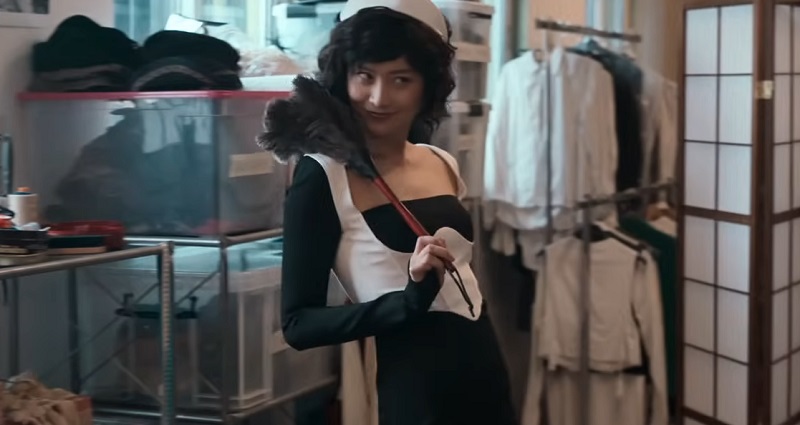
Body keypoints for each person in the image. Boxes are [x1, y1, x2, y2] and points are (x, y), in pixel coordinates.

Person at [262, 1, 517, 424]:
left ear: (427, 85)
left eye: (401, 79)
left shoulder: (440, 162)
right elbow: (298, 325)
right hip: (410, 388)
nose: (379, 98)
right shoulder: (323, 176)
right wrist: (405, 303)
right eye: (365, 76)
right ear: (343, 77)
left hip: (485, 372)